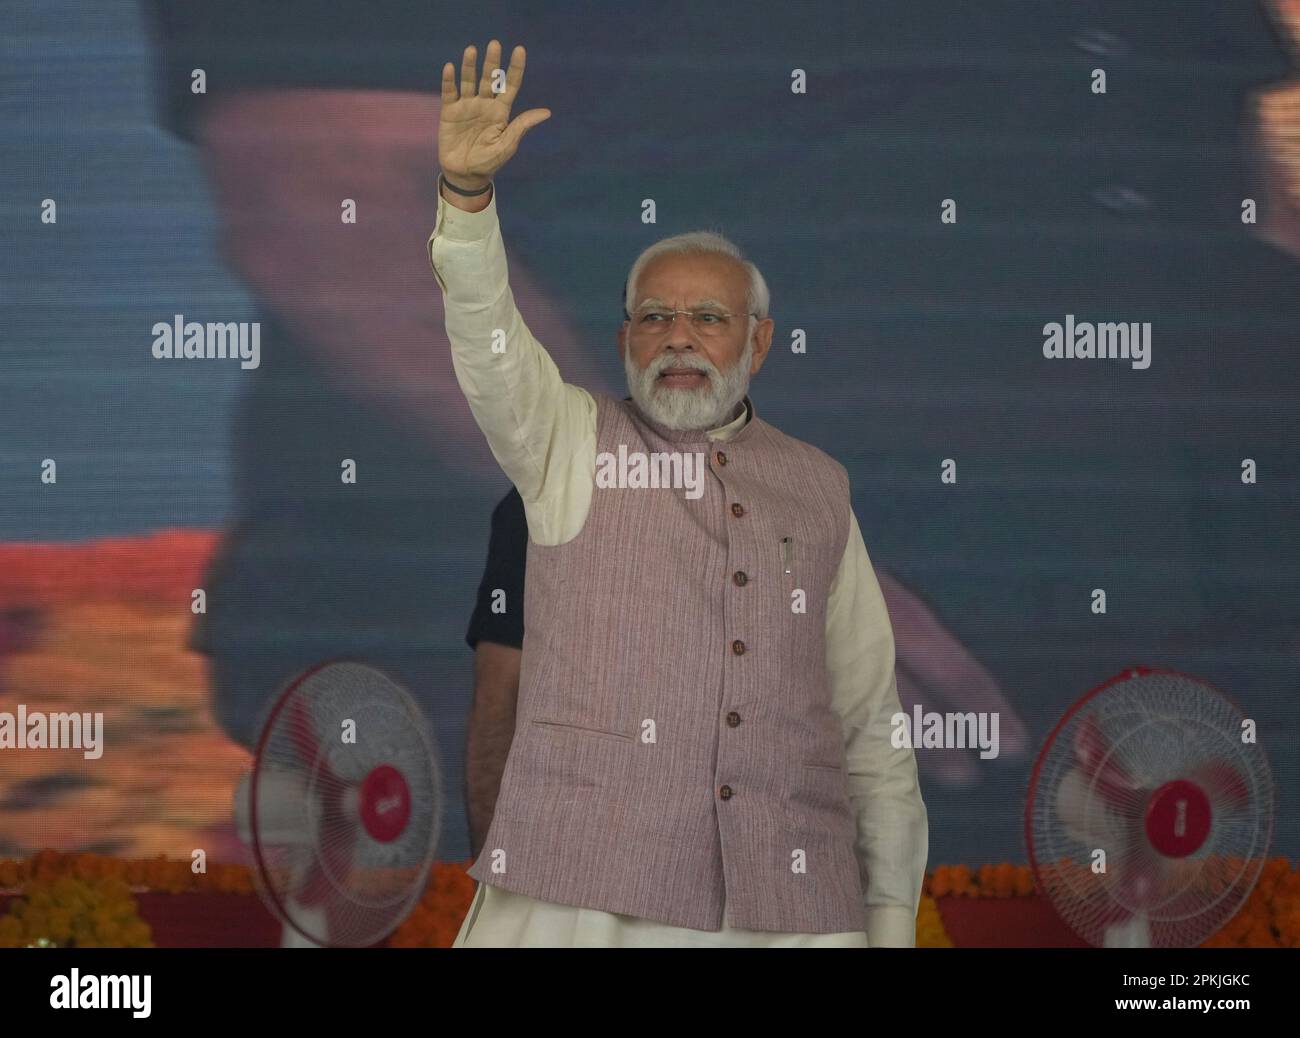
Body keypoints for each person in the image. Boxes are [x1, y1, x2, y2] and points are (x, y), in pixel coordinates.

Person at [431, 41, 929, 948]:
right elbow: (489, 345)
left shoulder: (820, 486)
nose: (679, 338)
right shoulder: (567, 444)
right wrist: (467, 203)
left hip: (793, 915)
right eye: (655, 316)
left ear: (760, 343)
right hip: (585, 906)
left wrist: (889, 920)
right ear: (625, 339)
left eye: (709, 317)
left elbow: (869, 727)